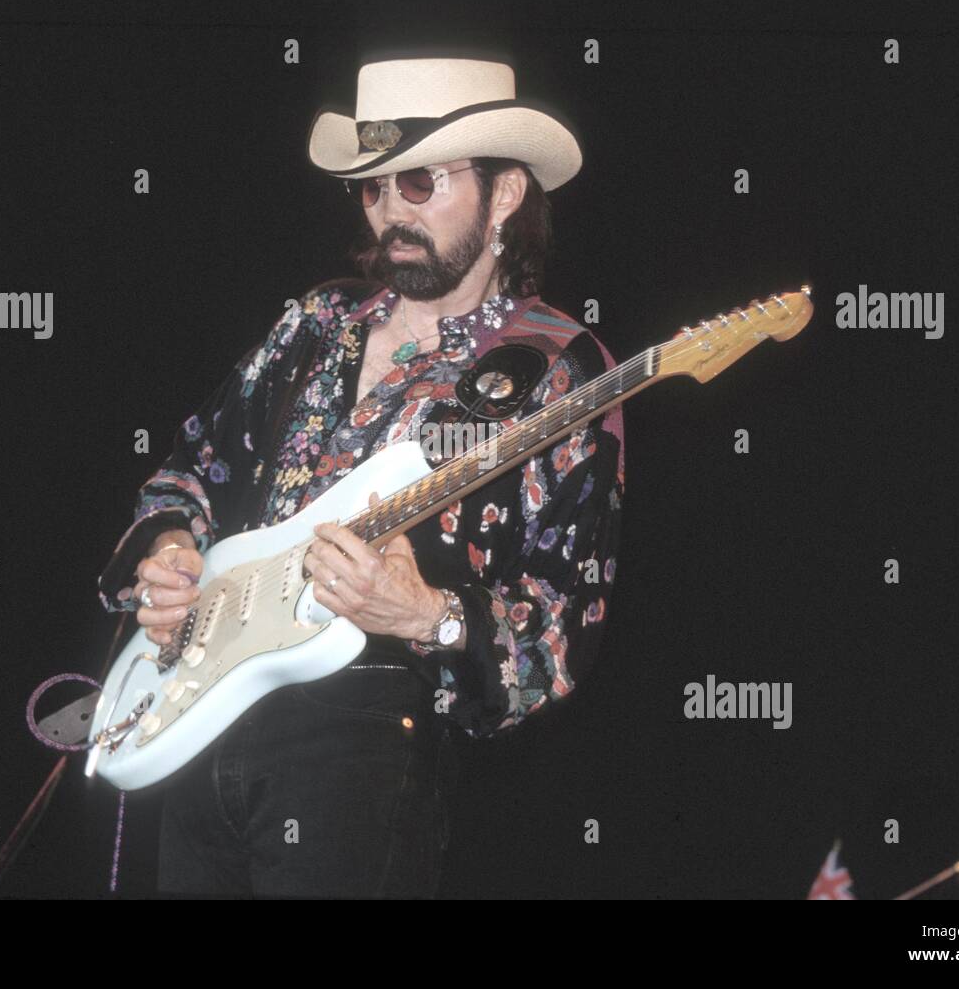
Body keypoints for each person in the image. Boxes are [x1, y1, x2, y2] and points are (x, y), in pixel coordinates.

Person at [96, 52, 626, 898]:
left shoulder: (557, 369)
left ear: (506, 194)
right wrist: (167, 551)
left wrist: (427, 613)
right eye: (374, 188)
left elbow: (559, 636)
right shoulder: (317, 322)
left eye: (418, 183)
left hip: (363, 737)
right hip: (201, 715)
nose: (389, 212)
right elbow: (189, 469)